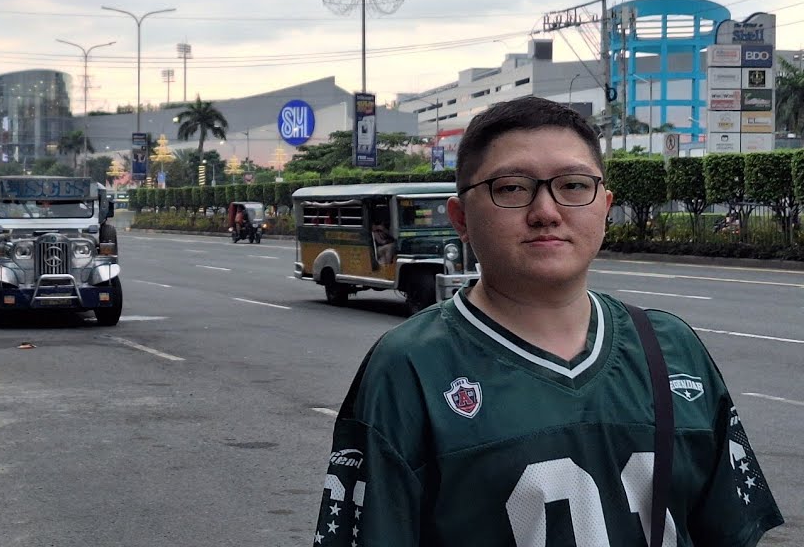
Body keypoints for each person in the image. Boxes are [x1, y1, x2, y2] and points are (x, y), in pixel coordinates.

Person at [312, 96, 782, 546]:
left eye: (574, 185)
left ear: (604, 204)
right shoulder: (409, 368)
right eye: (511, 188)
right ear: (460, 217)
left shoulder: (672, 348)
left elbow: (726, 528)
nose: (546, 212)